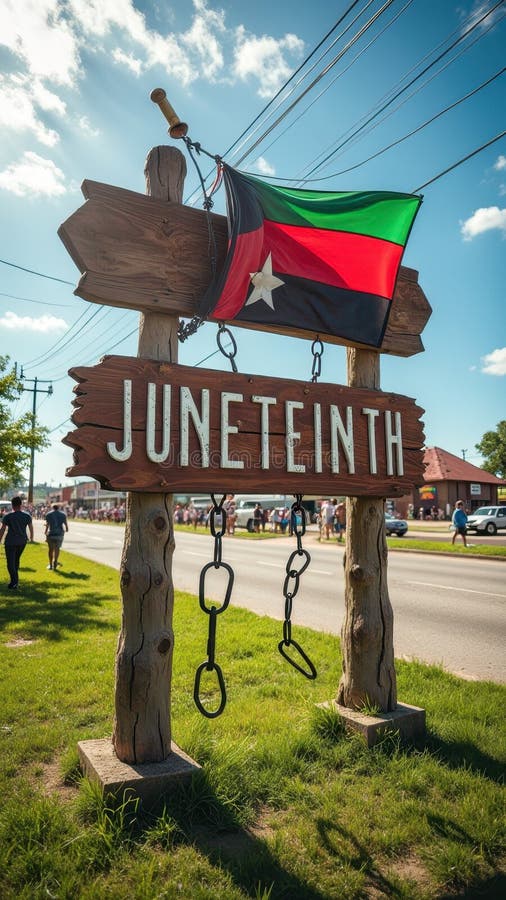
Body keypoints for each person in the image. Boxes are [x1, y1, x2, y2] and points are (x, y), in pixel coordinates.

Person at [0, 496, 34, 589]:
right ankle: (14, 581)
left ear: (12, 505)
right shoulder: (27, 516)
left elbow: (2, 529)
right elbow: (31, 527)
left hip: (10, 542)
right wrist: (31, 538)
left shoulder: (8, 516)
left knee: (10, 563)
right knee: (16, 560)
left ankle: (14, 582)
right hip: (22, 541)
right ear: (21, 504)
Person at [44, 503, 69, 570]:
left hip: (51, 534)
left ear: (53, 508)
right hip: (59, 534)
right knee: (57, 548)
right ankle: (55, 562)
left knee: (50, 549)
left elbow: (47, 524)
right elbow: (66, 525)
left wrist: (46, 531)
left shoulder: (48, 514)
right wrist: (66, 529)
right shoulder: (63, 514)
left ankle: (50, 564)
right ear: (58, 508)